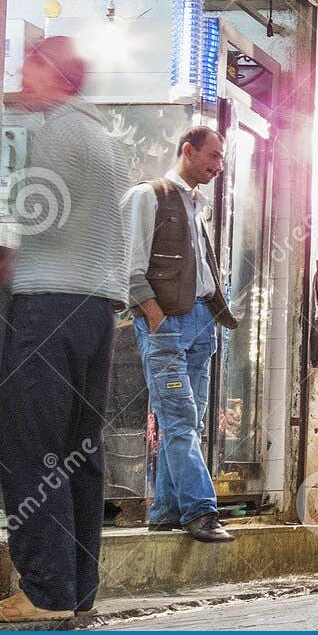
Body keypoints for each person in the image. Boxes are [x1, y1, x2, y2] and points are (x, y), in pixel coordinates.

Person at [0, 37, 125, 623]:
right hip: (97, 313)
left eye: (31, 68)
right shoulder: (107, 141)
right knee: (77, 453)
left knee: (32, 448)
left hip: (47, 308)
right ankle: (77, 590)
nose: (24, 78)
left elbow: (30, 218)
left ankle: (44, 592)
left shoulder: (53, 137)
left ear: (57, 75)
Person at [121, 126, 239, 544]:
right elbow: (129, 266)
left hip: (201, 323)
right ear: (188, 151)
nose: (218, 166)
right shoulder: (148, 196)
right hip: (167, 323)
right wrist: (154, 317)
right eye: (213, 156)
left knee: (190, 422)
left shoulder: (196, 205)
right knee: (180, 418)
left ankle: (166, 511)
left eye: (222, 158)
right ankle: (201, 511)